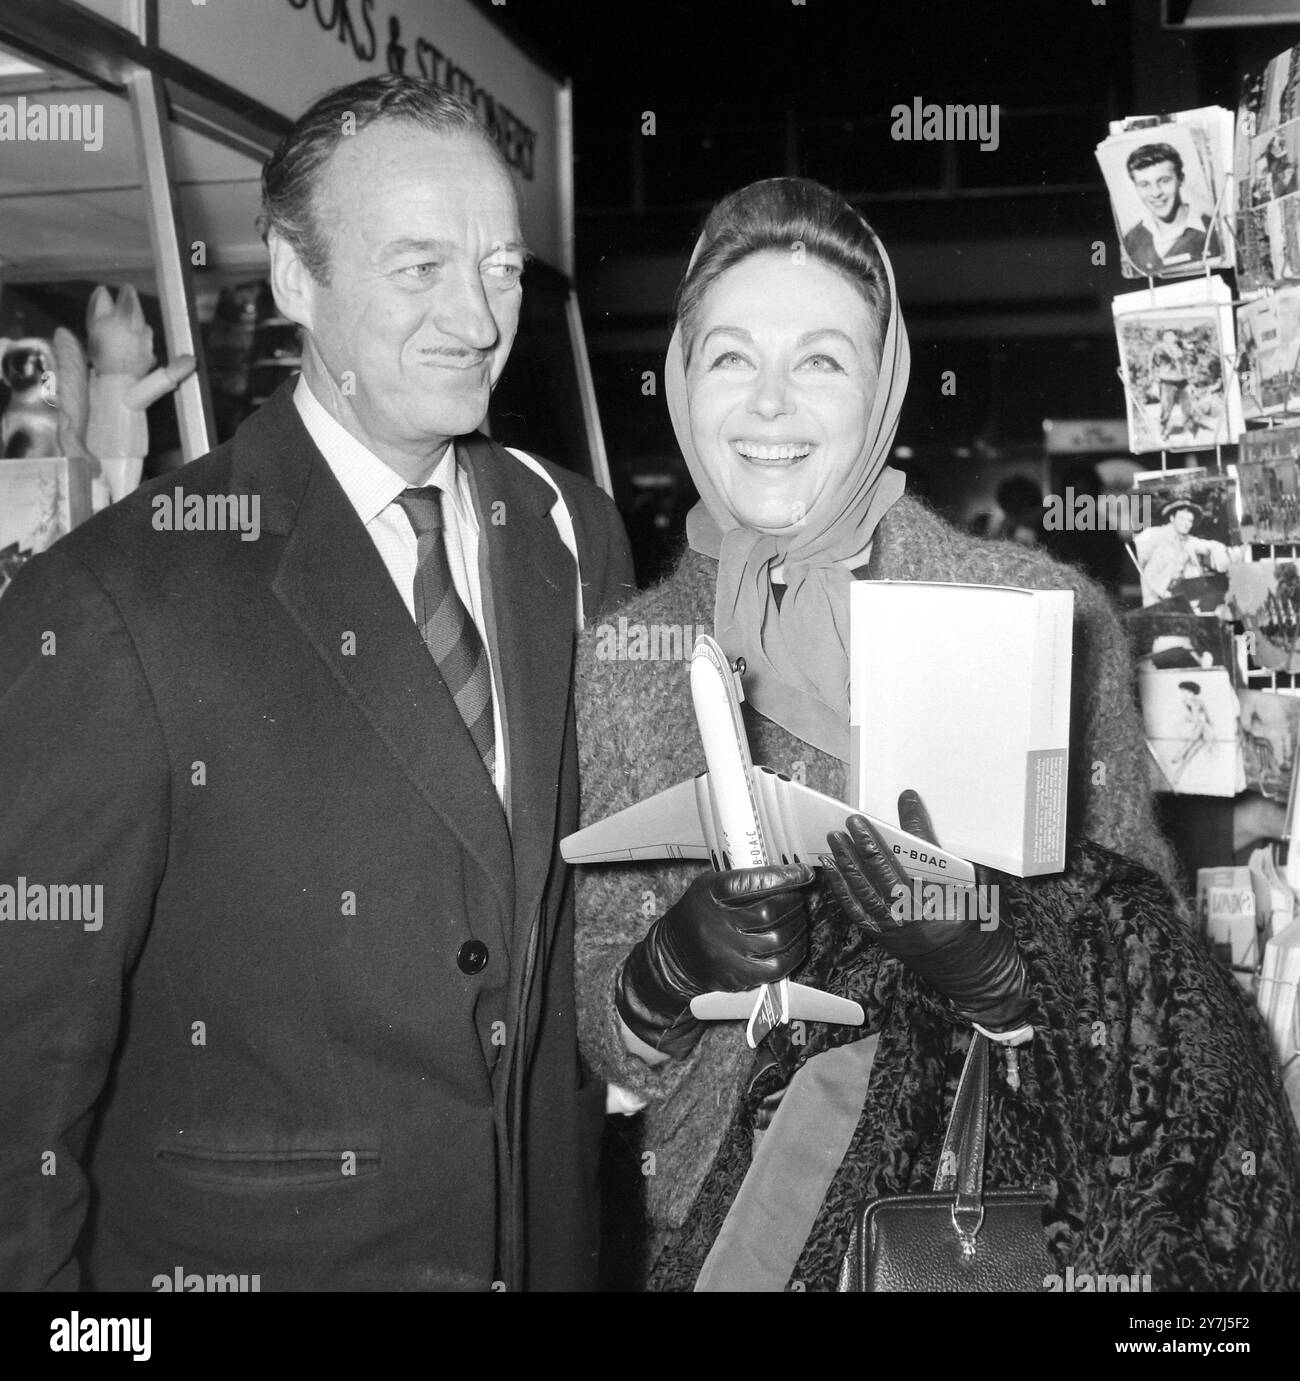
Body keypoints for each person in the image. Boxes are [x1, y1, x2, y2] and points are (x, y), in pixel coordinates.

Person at [572, 178, 1300, 1291]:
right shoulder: (625, 662)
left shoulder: (1032, 615)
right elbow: (600, 1029)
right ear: (679, 378)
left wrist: (1002, 969)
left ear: (884, 389)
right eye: (729, 357)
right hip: (725, 1234)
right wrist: (664, 971)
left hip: (974, 1227)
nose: (768, 405)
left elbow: (1147, 1000)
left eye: (820, 360)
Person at [0, 76, 634, 1291]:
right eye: (417, 268)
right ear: (296, 276)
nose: (475, 316)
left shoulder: (573, 535)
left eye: (500, 268)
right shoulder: (111, 602)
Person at [1121, 143, 1222, 276]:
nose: (1156, 193)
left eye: (1164, 181)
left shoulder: (1214, 230)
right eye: (1144, 184)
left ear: (1181, 179)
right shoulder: (1131, 240)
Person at [1133, 497, 1232, 607]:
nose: (1186, 524)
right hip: (1152, 600)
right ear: (1171, 518)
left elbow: (1209, 545)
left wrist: (1219, 550)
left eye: (1189, 521)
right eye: (1182, 519)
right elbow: (1134, 560)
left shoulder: (1189, 541)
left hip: (1178, 601)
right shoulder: (1153, 534)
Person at [1147, 328, 1204, 441]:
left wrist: (1191, 350)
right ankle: (1163, 431)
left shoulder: (1180, 348)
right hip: (1167, 383)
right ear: (1163, 337)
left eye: (1172, 335)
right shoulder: (1159, 348)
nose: (1170, 337)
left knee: (1187, 408)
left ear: (1175, 337)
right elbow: (1153, 366)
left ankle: (1190, 431)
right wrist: (1154, 382)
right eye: (1167, 335)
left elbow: (1193, 362)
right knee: (1166, 409)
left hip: (1184, 382)